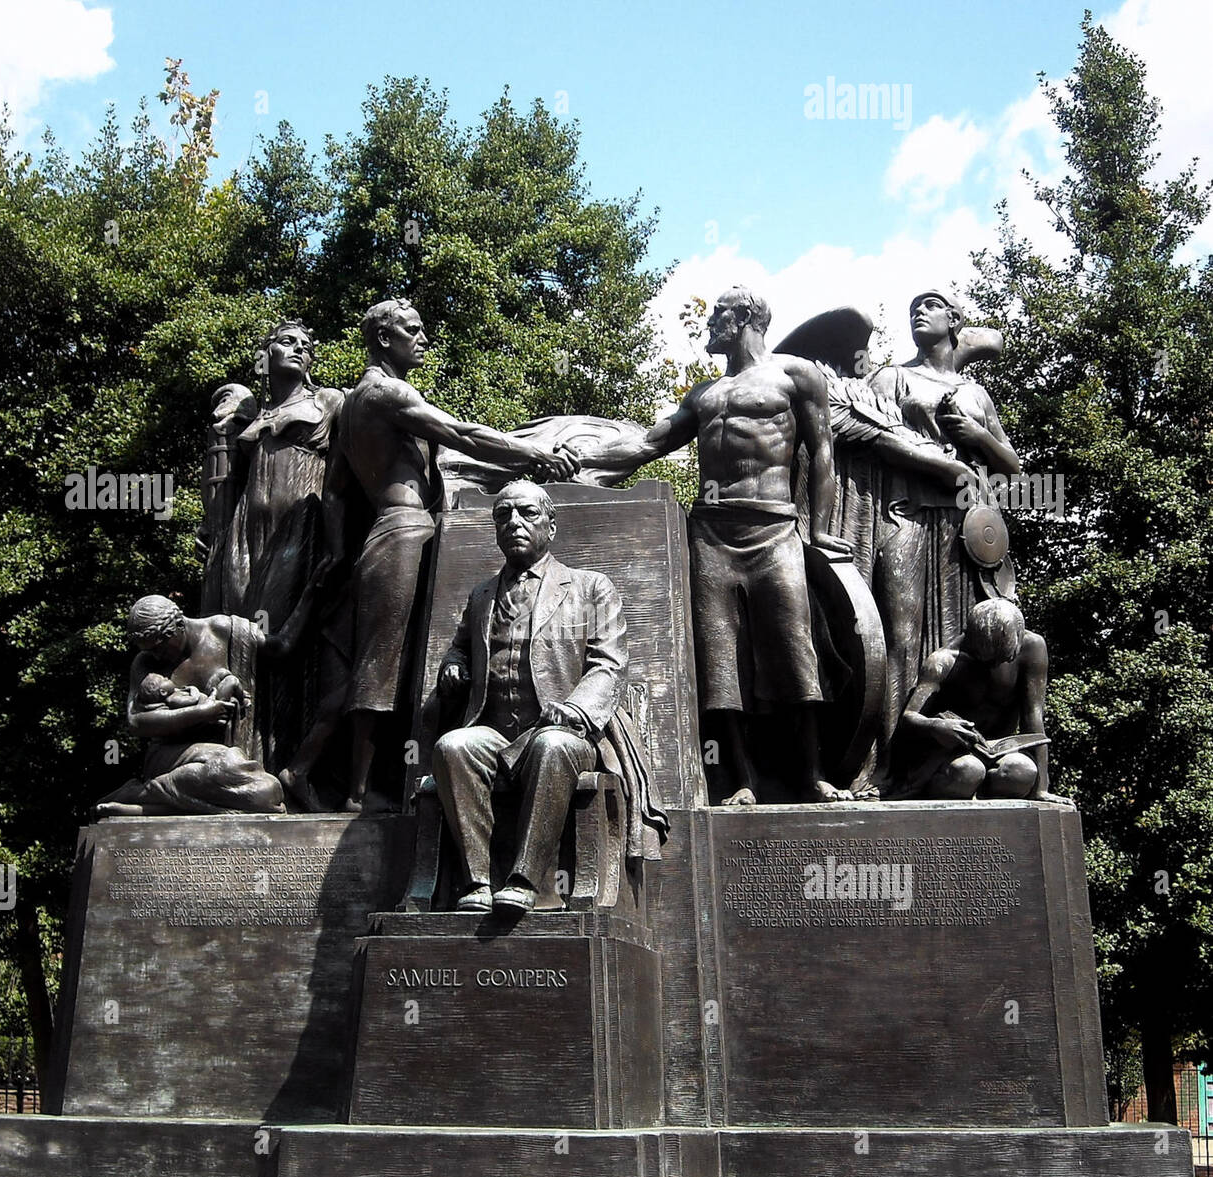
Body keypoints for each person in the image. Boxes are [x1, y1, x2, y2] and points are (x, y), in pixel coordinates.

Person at [276, 299, 579, 813]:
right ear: (383, 340)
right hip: (403, 533)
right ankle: (351, 791)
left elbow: (334, 492)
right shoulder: (385, 392)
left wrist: (333, 554)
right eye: (412, 331)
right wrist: (533, 453)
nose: (423, 340)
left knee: (380, 660)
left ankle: (310, 769)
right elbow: (460, 433)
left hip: (389, 535)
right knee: (379, 665)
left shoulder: (350, 405)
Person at [612, 286, 854, 803]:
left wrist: (818, 529)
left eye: (718, 314)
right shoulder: (704, 395)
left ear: (744, 317)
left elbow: (824, 454)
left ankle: (813, 773)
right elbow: (648, 444)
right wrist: (581, 461)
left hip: (773, 529)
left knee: (795, 650)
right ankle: (740, 780)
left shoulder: (795, 375)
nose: (710, 323)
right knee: (720, 659)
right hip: (711, 535)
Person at [431, 481, 667, 914]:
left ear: (551, 526)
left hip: (570, 733)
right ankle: (476, 884)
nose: (514, 523)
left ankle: (527, 881)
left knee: (552, 744)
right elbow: (461, 644)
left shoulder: (591, 587)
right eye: (503, 515)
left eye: (527, 513)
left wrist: (575, 709)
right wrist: (452, 662)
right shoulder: (481, 595)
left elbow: (608, 664)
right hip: (496, 732)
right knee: (453, 746)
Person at [866, 290, 1020, 753]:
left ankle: (972, 750)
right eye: (913, 306)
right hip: (907, 516)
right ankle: (887, 759)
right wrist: (936, 461)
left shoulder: (976, 393)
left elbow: (1011, 466)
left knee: (973, 637)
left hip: (970, 530)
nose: (918, 311)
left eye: (930, 305)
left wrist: (977, 436)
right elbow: (872, 436)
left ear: (954, 320)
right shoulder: (892, 377)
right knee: (900, 637)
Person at [201, 320, 346, 770]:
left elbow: (359, 460)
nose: (300, 349)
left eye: (307, 344)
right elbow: (222, 484)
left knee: (281, 644)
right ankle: (235, 755)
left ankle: (280, 762)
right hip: (246, 533)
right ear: (267, 353)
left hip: (299, 529)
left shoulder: (328, 402)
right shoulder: (254, 413)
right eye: (288, 342)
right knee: (238, 636)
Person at [92, 596, 284, 818]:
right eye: (149, 650)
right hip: (169, 756)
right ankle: (149, 794)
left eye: (159, 647)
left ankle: (141, 800)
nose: (155, 655)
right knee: (258, 789)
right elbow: (136, 722)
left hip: (220, 755)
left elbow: (282, 648)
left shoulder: (222, 631)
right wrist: (202, 713)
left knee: (265, 792)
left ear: (179, 626)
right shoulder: (145, 663)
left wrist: (312, 596)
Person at [892, 598, 1072, 803]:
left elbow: (1033, 715)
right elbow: (909, 716)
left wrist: (1041, 789)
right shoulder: (944, 661)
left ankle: (987, 802)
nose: (994, 665)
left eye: (1003, 658)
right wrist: (937, 726)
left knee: (1022, 772)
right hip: (954, 754)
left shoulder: (1033, 648)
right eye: (985, 659)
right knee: (968, 772)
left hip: (1002, 750)